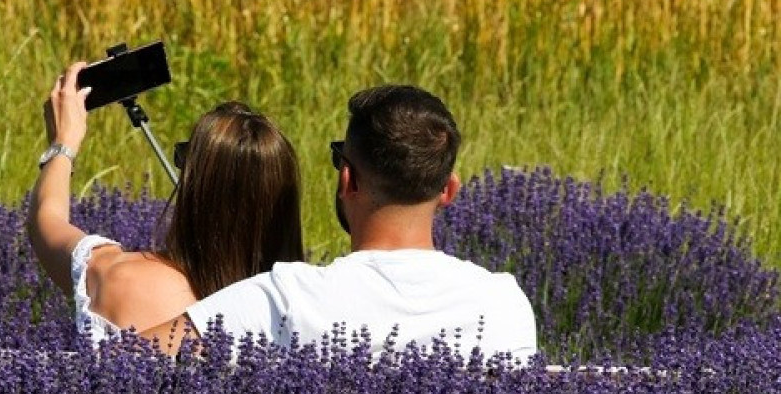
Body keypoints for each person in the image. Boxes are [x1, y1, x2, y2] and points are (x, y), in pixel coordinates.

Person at [142, 84, 538, 361]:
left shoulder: (285, 299)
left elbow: (119, 365)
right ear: (448, 191)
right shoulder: (504, 303)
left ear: (347, 179)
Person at [28, 62, 304, 345]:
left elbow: (46, 221)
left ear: (199, 189)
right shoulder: (307, 310)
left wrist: (63, 144)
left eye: (185, 156)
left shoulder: (127, 280)